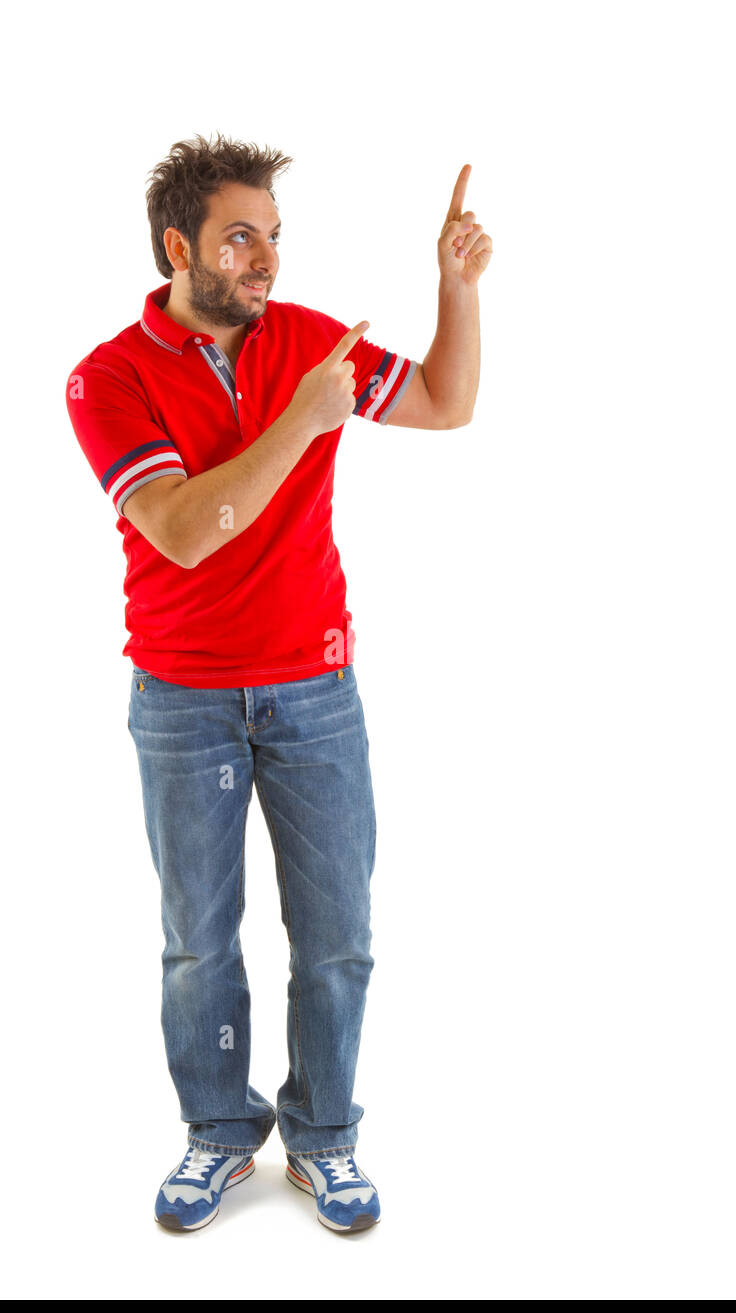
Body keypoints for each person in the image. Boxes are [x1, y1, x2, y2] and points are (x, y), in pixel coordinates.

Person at [65, 134, 491, 1235]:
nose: (264, 260)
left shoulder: (306, 342)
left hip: (314, 693)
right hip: (183, 698)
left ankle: (322, 1137)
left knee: (337, 931)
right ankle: (216, 1133)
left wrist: (453, 286)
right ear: (178, 246)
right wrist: (305, 417)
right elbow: (180, 531)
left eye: (273, 237)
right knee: (199, 937)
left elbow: (447, 404)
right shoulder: (107, 377)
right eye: (239, 237)